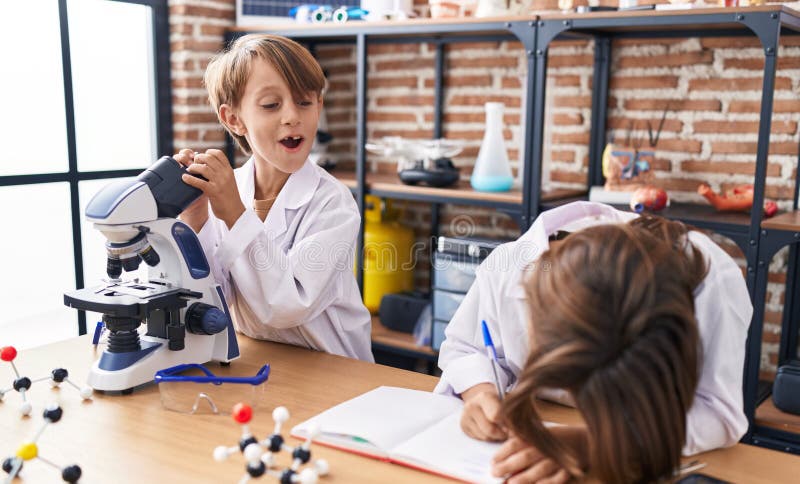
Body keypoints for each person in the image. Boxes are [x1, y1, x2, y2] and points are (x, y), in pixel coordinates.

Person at [435, 201, 752, 482]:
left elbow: (718, 412)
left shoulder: (710, 282)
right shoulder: (512, 267)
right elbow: (465, 347)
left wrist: (595, 443)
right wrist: (480, 393)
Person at [175, 34, 373, 362]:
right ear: (233, 119)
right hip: (262, 361)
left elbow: (288, 305)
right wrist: (195, 218)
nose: (293, 116)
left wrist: (235, 215)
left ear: (319, 106)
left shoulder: (333, 203)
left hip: (335, 369)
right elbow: (210, 302)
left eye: (306, 102)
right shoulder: (231, 189)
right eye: (271, 105)